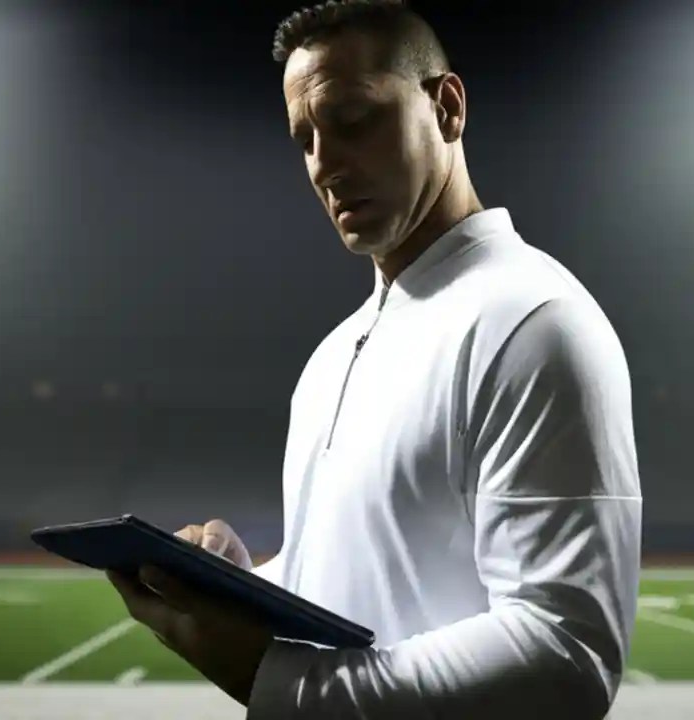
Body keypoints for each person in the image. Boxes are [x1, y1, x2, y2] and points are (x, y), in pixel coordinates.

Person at [106, 1, 642, 717]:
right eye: (304, 139)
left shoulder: (536, 323)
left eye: (354, 121)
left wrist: (274, 681)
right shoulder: (333, 355)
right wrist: (249, 583)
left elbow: (564, 657)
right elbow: (348, 593)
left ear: (446, 107)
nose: (325, 165)